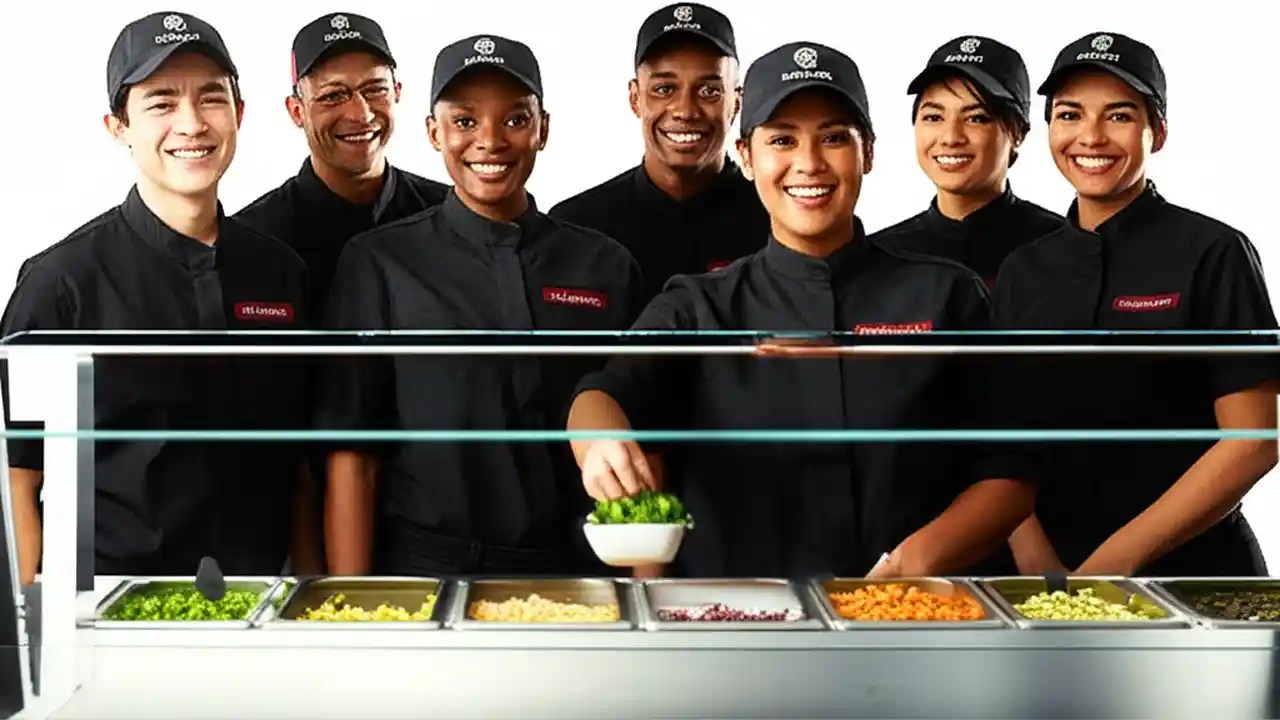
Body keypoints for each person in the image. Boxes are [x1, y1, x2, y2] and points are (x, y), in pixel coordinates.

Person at [566, 41, 1034, 578]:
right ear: (746, 157)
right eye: (782, 140)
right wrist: (599, 440)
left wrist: (911, 564)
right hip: (744, 624)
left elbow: (1010, 473)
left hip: (913, 620)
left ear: (870, 154)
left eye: (834, 138)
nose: (808, 163)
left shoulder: (946, 295)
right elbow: (602, 393)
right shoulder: (700, 305)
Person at [0, 12, 318, 583]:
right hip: (108, 613)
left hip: (261, 605)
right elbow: (18, 475)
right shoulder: (61, 283)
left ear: (240, 114)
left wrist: (316, 607)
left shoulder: (281, 274)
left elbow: (298, 465)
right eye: (161, 103)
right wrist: (28, 637)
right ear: (117, 125)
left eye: (211, 99)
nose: (191, 124)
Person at [316, 35, 646, 576]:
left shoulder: (604, 265)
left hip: (584, 570)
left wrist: (644, 594)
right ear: (432, 132)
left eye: (514, 120)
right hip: (429, 570)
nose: (489, 141)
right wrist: (353, 607)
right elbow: (354, 457)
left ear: (543, 129)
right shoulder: (380, 263)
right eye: (465, 122)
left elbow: (641, 439)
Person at [996, 32, 1279, 577]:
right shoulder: (1022, 271)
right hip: (1052, 576)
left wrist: (1112, 565)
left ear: (1159, 132)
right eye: (1070, 114)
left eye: (1119, 116)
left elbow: (1253, 440)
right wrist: (1043, 572)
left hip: (1198, 575)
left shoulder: (1214, 251)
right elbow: (1004, 440)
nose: (1091, 137)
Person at [548, 3, 768, 303]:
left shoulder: (777, 221)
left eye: (709, 91)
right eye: (664, 89)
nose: (685, 111)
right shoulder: (575, 226)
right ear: (635, 98)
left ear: (737, 102)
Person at [234, 12, 449, 317]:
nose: (360, 114)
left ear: (397, 92)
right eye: (333, 95)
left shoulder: (449, 215)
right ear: (297, 111)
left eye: (375, 89)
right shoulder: (252, 241)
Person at [871, 35, 1063, 289]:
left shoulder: (1064, 250)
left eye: (977, 118)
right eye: (934, 117)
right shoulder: (877, 257)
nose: (951, 137)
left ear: (1018, 133)